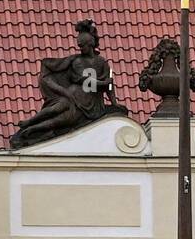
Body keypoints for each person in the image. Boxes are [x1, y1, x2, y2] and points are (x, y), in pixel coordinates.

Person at [10, 20, 127, 148]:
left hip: (90, 104)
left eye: (82, 45)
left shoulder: (102, 62)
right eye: (79, 45)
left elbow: (110, 86)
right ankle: (30, 122)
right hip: (72, 95)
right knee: (55, 109)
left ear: (91, 44)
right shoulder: (76, 61)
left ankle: (33, 129)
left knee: (60, 120)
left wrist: (114, 102)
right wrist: (103, 83)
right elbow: (88, 81)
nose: (80, 48)